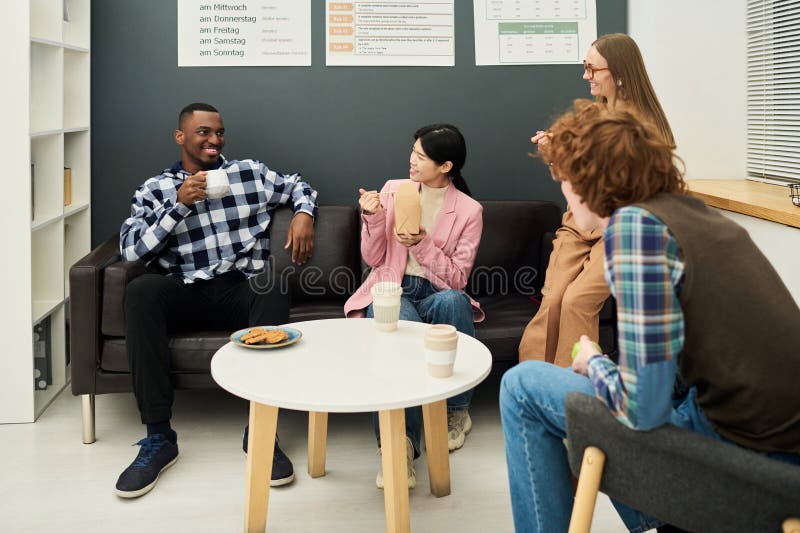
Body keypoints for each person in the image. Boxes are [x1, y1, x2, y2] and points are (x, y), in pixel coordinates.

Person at [500, 99, 800, 532]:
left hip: (750, 462)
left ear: (585, 182)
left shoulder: (634, 231)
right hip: (773, 443)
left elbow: (643, 409)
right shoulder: (696, 216)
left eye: (563, 180)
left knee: (522, 386)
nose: (562, 191)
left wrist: (592, 362)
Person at [115, 102, 318, 498]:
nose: (214, 140)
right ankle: (159, 437)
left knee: (271, 284)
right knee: (140, 290)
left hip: (237, 287)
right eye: (203, 132)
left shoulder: (247, 174)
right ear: (181, 137)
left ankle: (261, 431)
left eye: (219, 133)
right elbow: (132, 253)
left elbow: (298, 184)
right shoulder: (154, 189)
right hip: (184, 289)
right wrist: (178, 205)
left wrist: (303, 214)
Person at [519, 33, 675, 367]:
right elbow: (580, 176)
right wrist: (553, 152)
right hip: (579, 227)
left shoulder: (646, 128)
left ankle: (574, 396)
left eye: (592, 68)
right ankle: (533, 382)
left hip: (618, 231)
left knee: (576, 301)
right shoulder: (591, 116)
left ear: (618, 71)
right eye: (585, 67)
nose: (585, 75)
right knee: (553, 300)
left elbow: (637, 188)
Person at [344, 124, 483, 488]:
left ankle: (456, 412)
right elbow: (373, 258)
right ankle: (398, 446)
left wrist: (421, 244)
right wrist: (372, 219)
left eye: (421, 156)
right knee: (394, 330)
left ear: (445, 166)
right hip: (393, 288)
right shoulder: (394, 190)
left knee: (454, 302)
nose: (411, 160)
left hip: (439, 291)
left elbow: (456, 280)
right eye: (413, 152)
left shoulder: (469, 211)